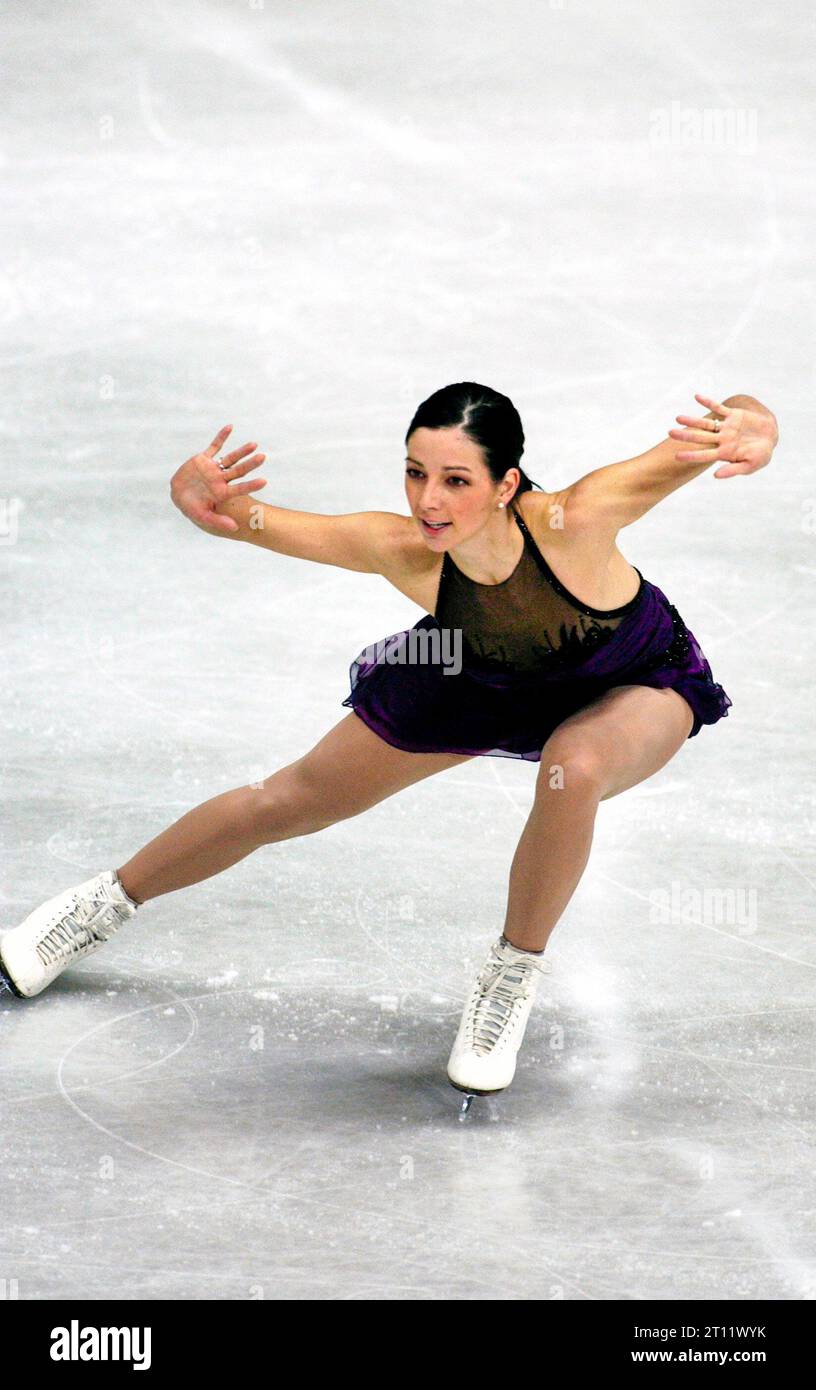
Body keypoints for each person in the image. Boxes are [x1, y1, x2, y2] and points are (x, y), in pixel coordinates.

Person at [0, 382, 778, 1110]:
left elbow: (727, 424)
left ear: (508, 484)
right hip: (477, 674)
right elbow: (245, 517)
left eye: (456, 480)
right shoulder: (402, 549)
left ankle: (508, 980)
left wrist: (754, 421)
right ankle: (96, 908)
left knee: (571, 769)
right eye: (415, 473)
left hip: (631, 681)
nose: (429, 501)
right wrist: (202, 498)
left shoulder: (583, 514)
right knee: (290, 799)